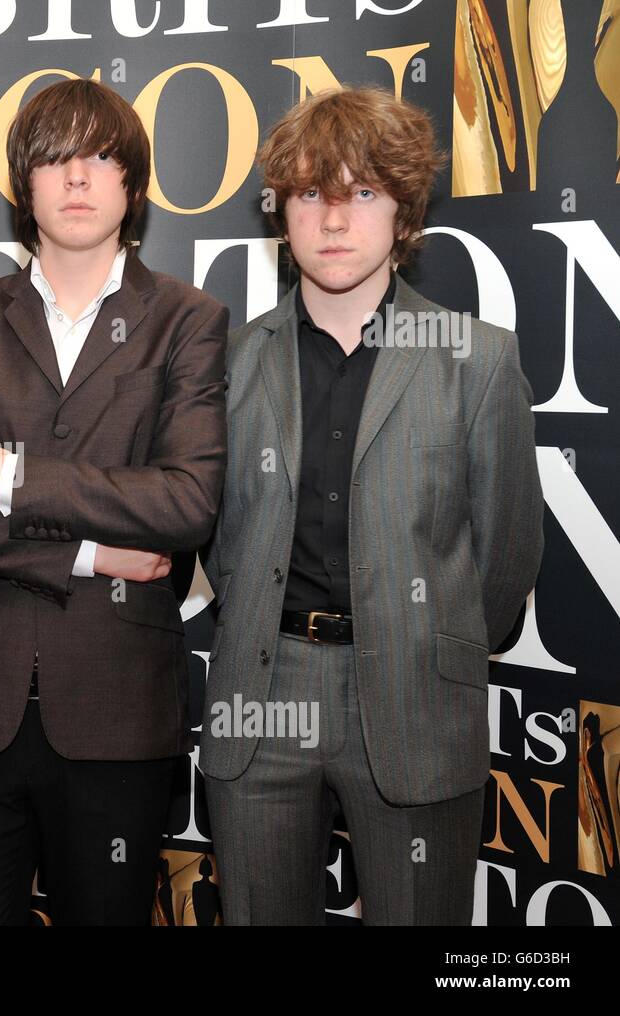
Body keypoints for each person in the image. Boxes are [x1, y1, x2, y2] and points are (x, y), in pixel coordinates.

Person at [199, 86, 543, 925]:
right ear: (283, 213)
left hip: (417, 699)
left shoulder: (476, 360)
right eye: (311, 193)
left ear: (403, 211)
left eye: (362, 193)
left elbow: (504, 563)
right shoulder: (231, 361)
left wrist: (433, 641)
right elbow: (218, 537)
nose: (335, 220)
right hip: (264, 692)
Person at [0, 78, 228, 925]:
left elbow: (187, 503)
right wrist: (84, 552)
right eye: (55, 159)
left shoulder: (188, 320)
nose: (77, 179)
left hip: (118, 717)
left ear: (133, 184)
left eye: (100, 158)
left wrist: (14, 478)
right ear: (24, 184)